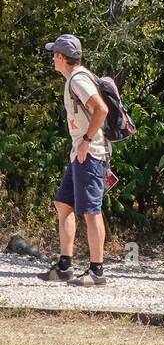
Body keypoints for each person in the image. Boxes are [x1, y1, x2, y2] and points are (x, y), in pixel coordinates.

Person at [37, 34, 110, 287]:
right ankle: (65, 266)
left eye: (53, 55)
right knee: (63, 203)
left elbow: (102, 109)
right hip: (79, 153)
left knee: (91, 211)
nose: (52, 59)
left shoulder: (78, 80)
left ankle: (96, 272)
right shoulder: (75, 78)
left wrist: (87, 141)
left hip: (89, 154)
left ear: (60, 57)